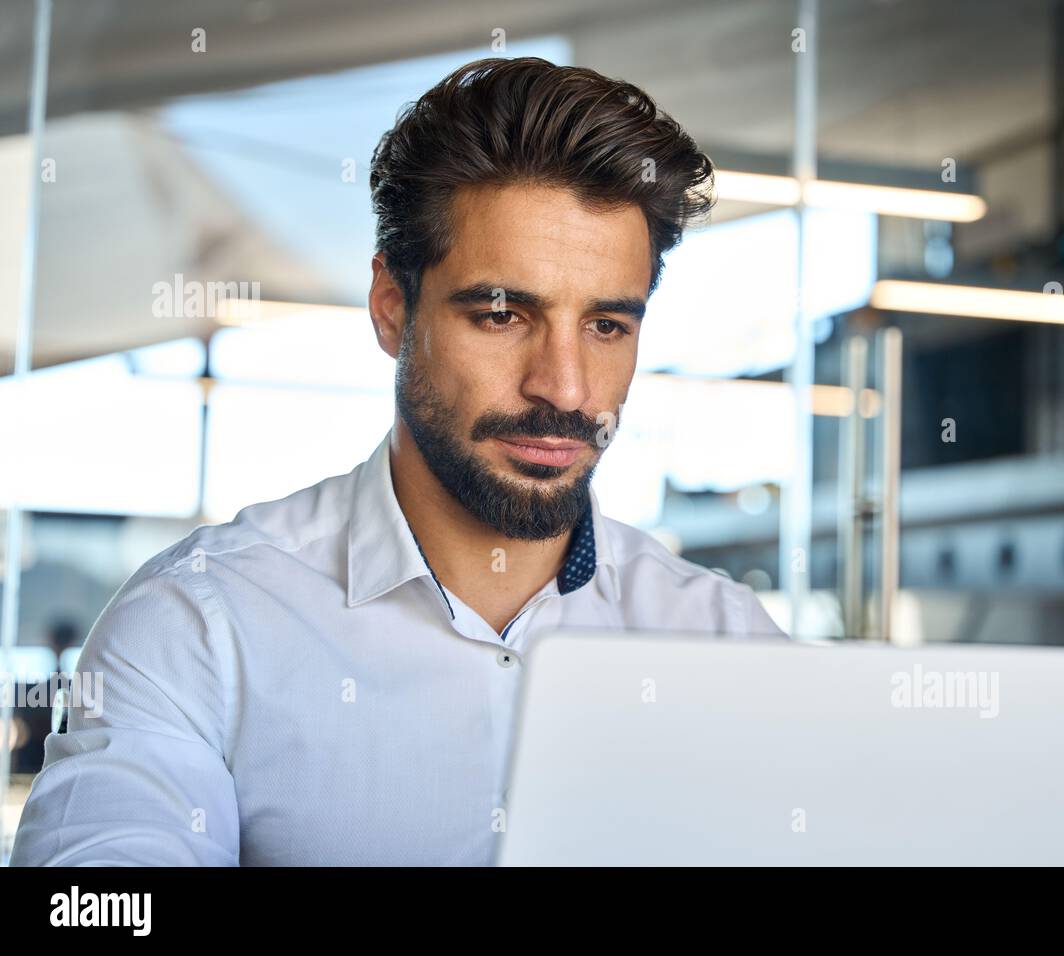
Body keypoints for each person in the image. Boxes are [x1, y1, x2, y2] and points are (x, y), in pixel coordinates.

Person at [12, 57, 785, 866]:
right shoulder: (201, 626)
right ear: (392, 308)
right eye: (501, 314)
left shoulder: (725, 642)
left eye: (606, 326)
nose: (564, 387)